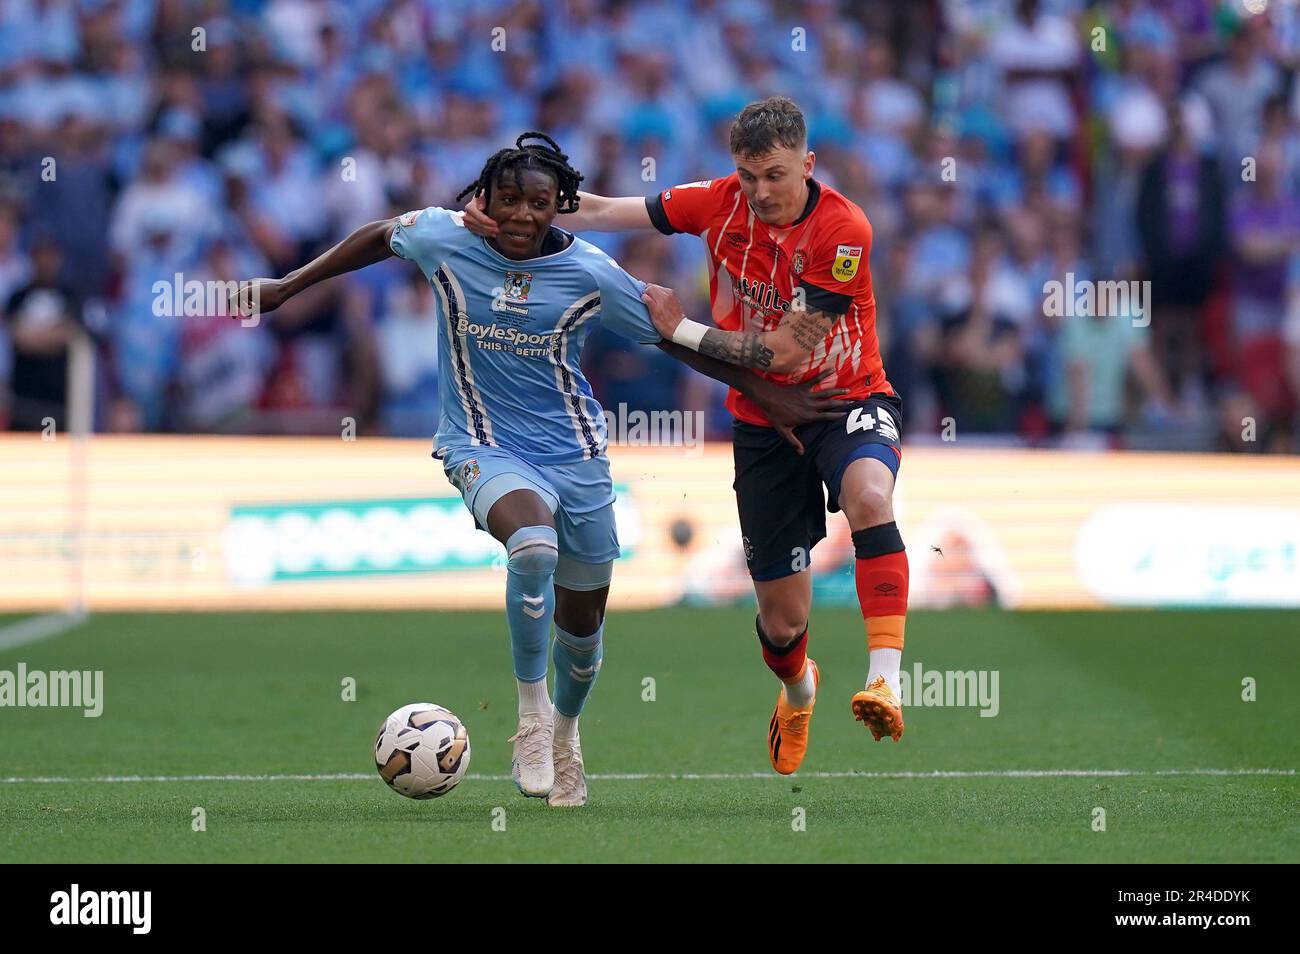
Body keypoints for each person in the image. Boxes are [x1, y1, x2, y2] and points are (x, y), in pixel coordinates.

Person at [232, 132, 843, 804]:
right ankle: (530, 718)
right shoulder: (444, 238)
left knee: (581, 629)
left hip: (575, 456)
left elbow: (669, 336)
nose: (523, 214)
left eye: (539, 202)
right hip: (480, 443)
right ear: (486, 199)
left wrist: (764, 392)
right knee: (530, 546)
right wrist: (287, 287)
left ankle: (566, 735)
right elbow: (381, 235)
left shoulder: (588, 274)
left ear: (559, 206)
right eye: (510, 199)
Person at [467, 99, 910, 776]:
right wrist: (490, 209)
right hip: (763, 424)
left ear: (808, 166)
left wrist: (679, 330)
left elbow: (789, 354)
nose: (760, 191)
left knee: (870, 497)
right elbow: (601, 210)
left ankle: (885, 679)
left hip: (846, 401)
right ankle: (799, 690)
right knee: (783, 623)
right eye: (748, 174)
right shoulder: (716, 202)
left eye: (776, 175)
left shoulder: (844, 230)